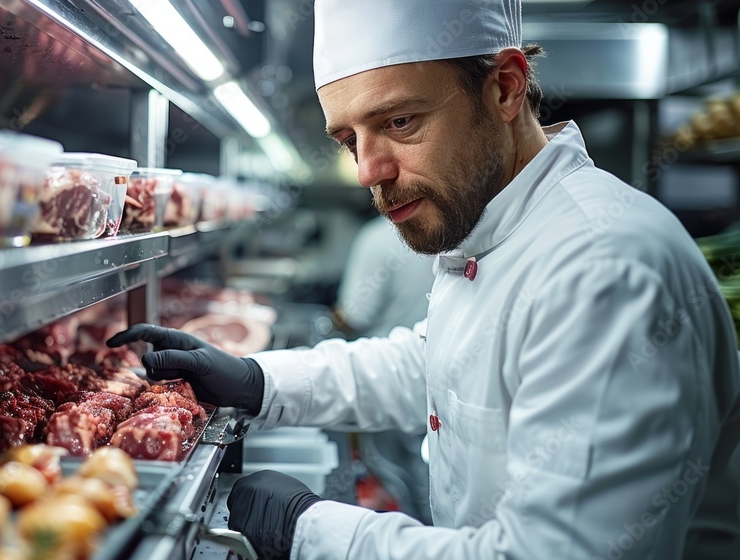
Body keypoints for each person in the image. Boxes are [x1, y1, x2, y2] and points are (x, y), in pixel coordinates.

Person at [108, 1, 740, 558]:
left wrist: (309, 530)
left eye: (400, 122)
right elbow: (438, 366)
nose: (368, 172)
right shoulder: (499, 233)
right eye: (349, 139)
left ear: (504, 89)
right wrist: (260, 380)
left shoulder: (605, 271)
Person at [334, 215, 435, 522]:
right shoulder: (449, 226)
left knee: (398, 480)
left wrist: (335, 318)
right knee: (433, 478)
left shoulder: (378, 237)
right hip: (440, 376)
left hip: (389, 380)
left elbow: (356, 315)